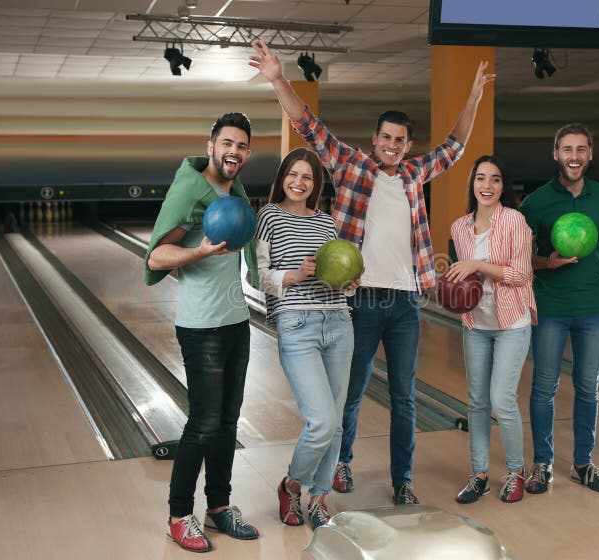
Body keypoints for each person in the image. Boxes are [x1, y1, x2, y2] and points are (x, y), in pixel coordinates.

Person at [249, 39, 495, 504]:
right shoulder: (351, 165)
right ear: (375, 139)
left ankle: (403, 479)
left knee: (404, 396)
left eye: (400, 140)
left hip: (404, 301)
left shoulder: (414, 173)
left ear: (408, 145)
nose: (392, 145)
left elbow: (457, 146)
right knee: (351, 393)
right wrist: (279, 79)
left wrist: (474, 99)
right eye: (386, 138)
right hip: (356, 298)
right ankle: (340, 463)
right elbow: (308, 125)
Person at [145, 113, 260, 552]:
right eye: (227, 143)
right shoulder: (190, 190)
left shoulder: (238, 191)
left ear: (248, 152)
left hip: (237, 322)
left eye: (242, 146)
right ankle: (178, 515)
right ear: (211, 144)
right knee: (204, 423)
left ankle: (219, 506)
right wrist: (199, 252)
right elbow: (156, 257)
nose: (234, 151)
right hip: (201, 328)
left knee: (228, 422)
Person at [519, 123, 599, 496]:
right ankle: (542, 463)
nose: (574, 156)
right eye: (567, 149)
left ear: (590, 153)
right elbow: (519, 257)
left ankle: (583, 463)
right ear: (556, 154)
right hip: (550, 306)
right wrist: (547, 263)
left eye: (581, 149)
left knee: (588, 389)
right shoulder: (535, 202)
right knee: (544, 388)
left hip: (594, 306)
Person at [255, 147, 356, 529]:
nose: (299, 182)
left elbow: (337, 280)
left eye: (308, 178)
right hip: (297, 325)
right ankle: (291, 485)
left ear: (316, 185)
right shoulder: (268, 216)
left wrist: (349, 284)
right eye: (293, 175)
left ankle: (319, 497)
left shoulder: (327, 224)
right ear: (282, 177)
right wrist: (294, 276)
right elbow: (258, 274)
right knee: (322, 420)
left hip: (339, 322)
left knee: (337, 421)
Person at [446, 155, 536, 505]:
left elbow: (521, 275)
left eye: (495, 179)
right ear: (473, 183)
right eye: (481, 178)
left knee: (502, 399)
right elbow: (462, 277)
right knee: (478, 402)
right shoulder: (459, 227)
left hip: (512, 322)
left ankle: (515, 471)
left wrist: (479, 264)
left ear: (503, 186)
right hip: (476, 325)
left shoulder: (515, 222)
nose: (487, 185)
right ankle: (479, 474)